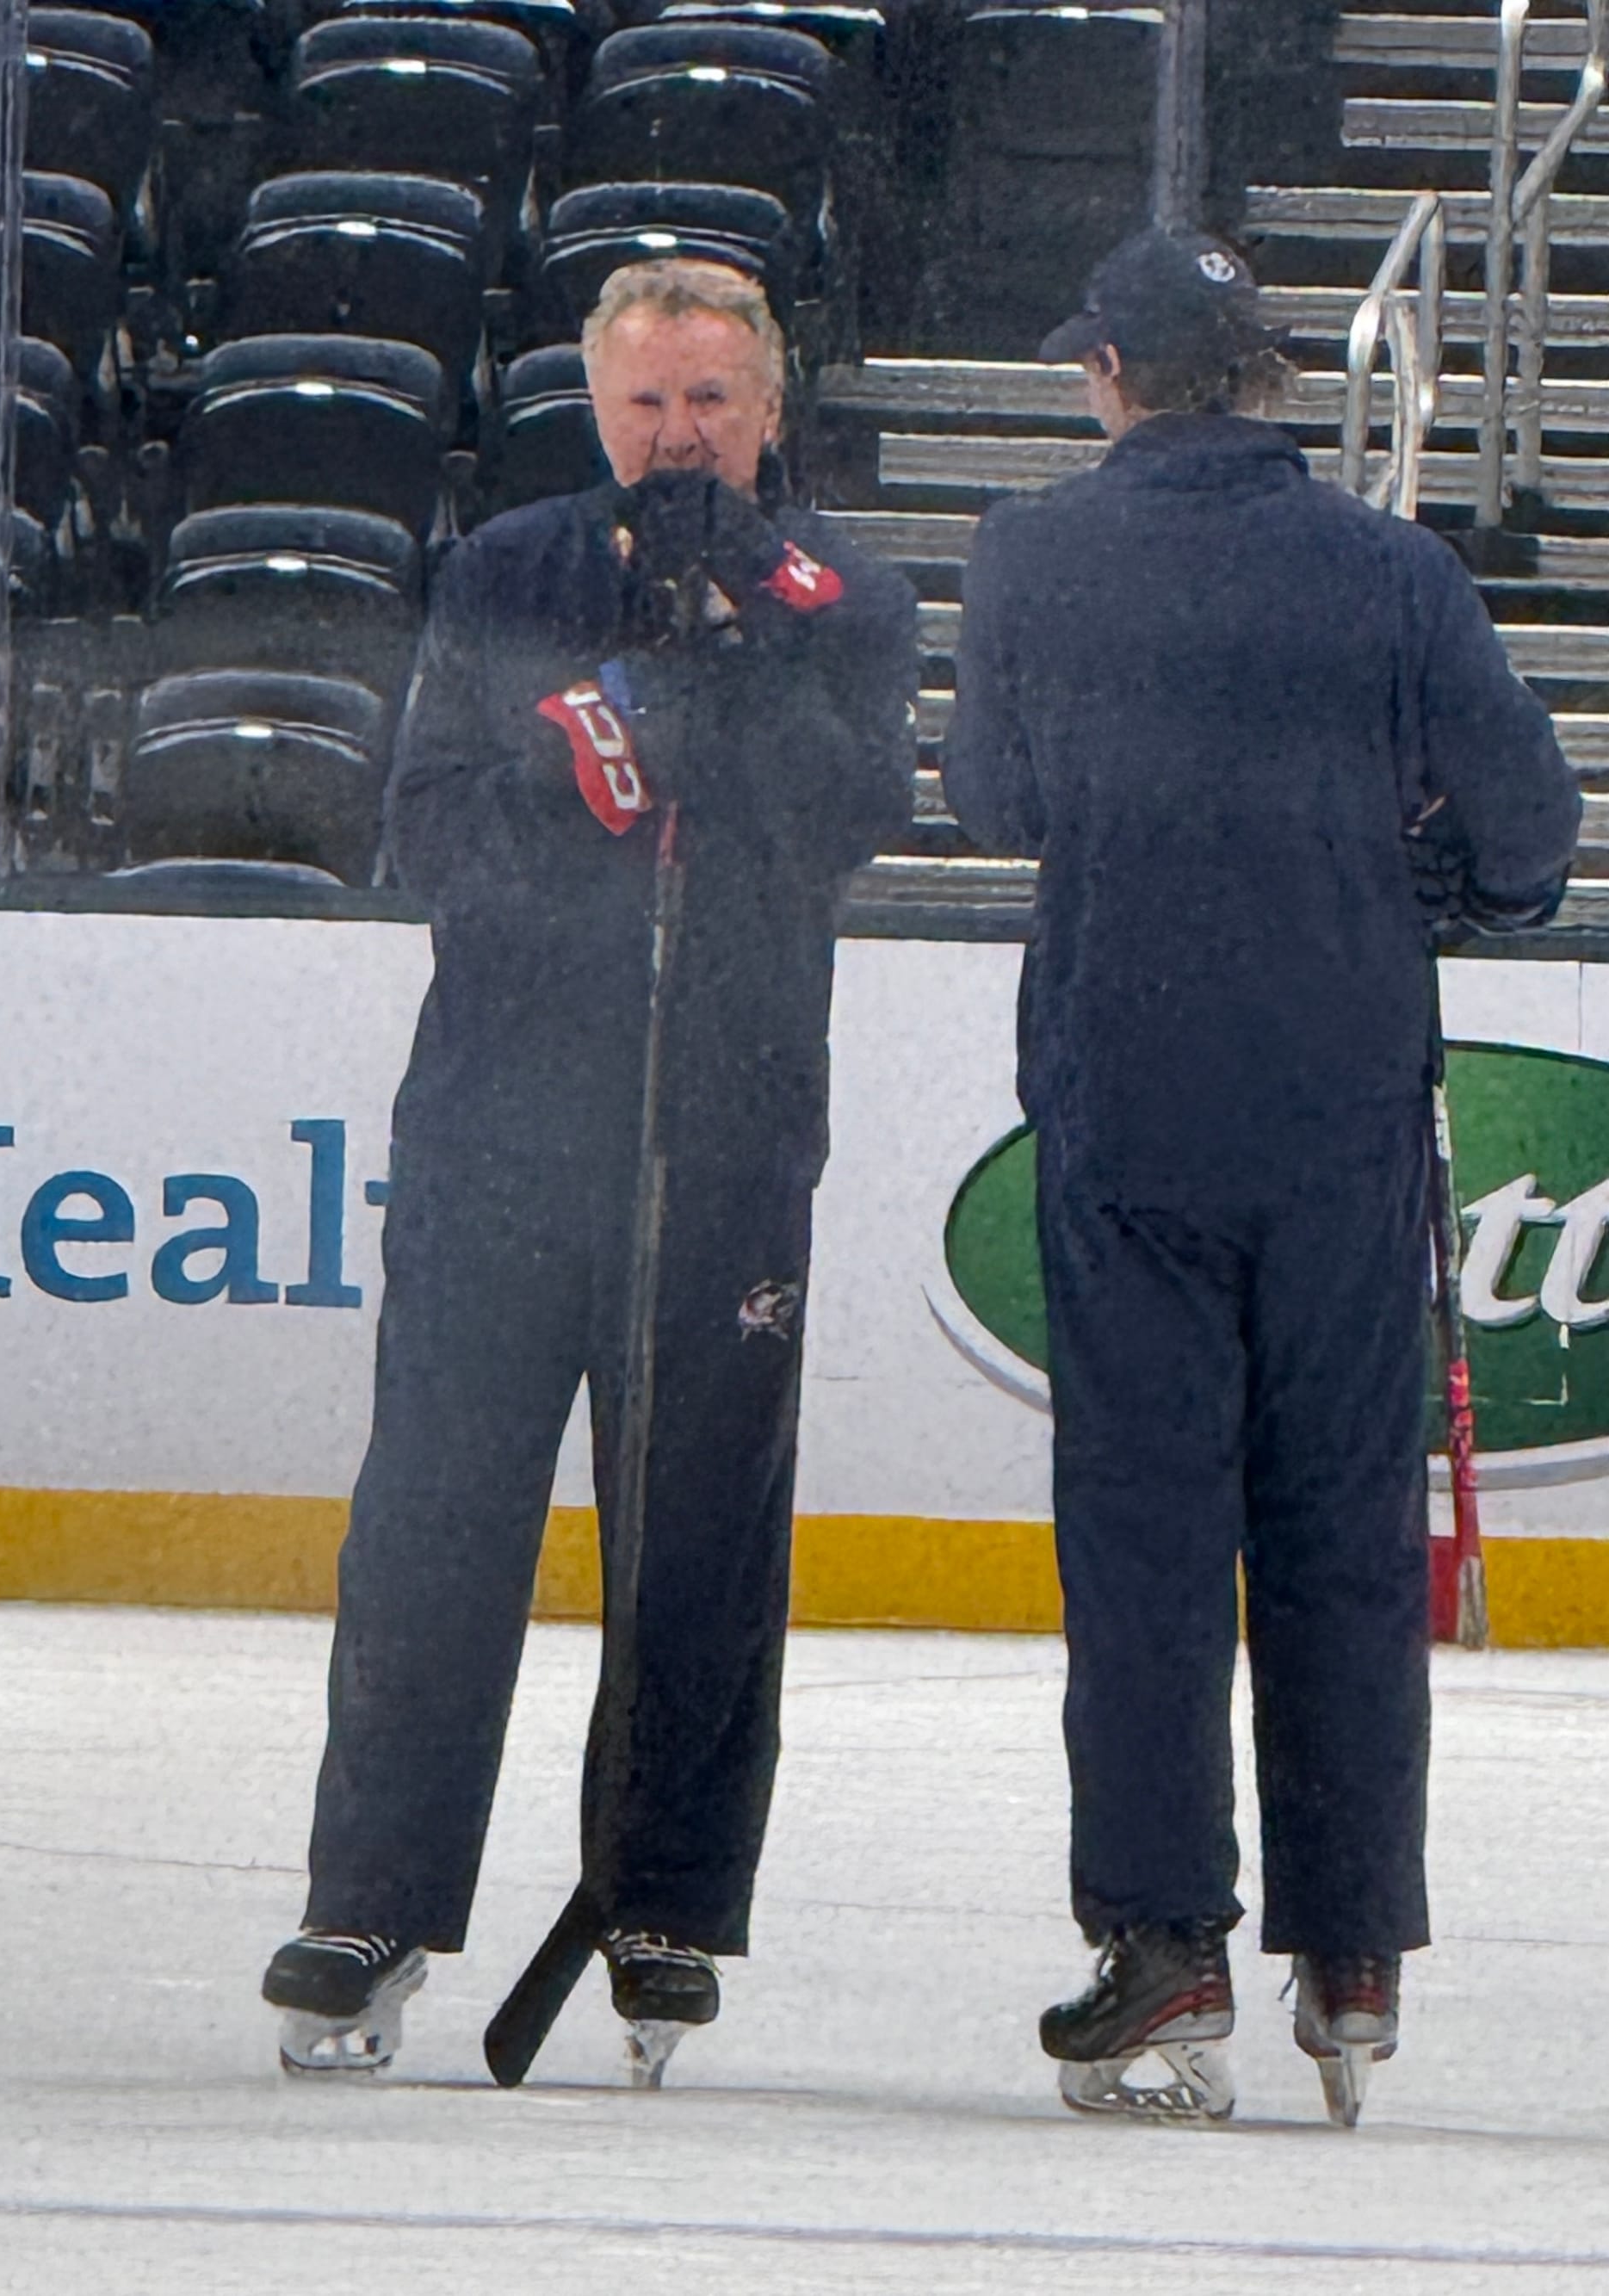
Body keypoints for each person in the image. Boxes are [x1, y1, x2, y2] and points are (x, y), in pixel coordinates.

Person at [944, 226, 1581, 2126]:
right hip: (1334, 1107)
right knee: (1338, 1533)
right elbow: (1530, 830)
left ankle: (1162, 1945)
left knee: (1144, 1537)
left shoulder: (1031, 555)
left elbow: (993, 803)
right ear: (1270, 380)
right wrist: (1414, 896)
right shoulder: (1391, 569)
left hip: (1128, 1100)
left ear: (1113, 377)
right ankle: (1354, 1944)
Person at [261, 258, 918, 2083]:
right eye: (646, 403)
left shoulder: (841, 597)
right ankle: (370, 1894)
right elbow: (424, 840)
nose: (677, 436)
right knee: (433, 1520)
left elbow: (861, 810)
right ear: (593, 409)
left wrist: (732, 681)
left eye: (711, 401)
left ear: (771, 410)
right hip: (497, 1128)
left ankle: (666, 1904)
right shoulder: (506, 575)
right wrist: (585, 762)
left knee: (701, 1538)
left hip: (727, 1136)